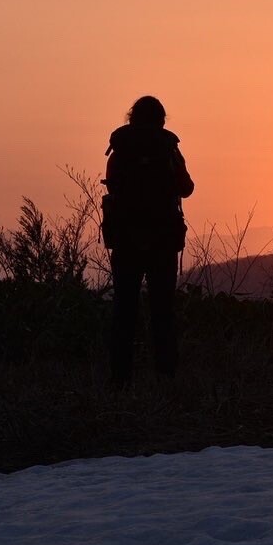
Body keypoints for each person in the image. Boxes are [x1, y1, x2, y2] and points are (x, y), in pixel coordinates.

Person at [102, 95, 194, 387]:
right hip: (162, 239)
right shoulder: (168, 148)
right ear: (161, 119)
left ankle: (119, 382)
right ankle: (166, 380)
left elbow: (113, 186)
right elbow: (187, 188)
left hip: (126, 239)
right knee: (162, 311)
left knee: (124, 310)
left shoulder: (120, 149)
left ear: (132, 117)